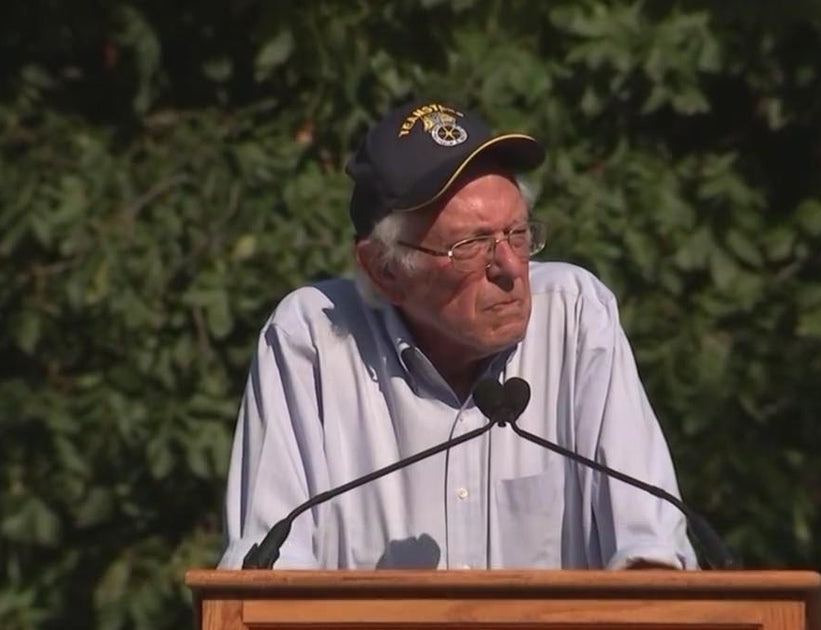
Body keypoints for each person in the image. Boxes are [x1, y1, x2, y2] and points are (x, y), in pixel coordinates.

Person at [218, 100, 697, 570]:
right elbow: (266, 580)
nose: (510, 267)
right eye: (471, 246)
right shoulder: (313, 339)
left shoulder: (574, 315)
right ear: (386, 270)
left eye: (518, 234)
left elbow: (650, 551)